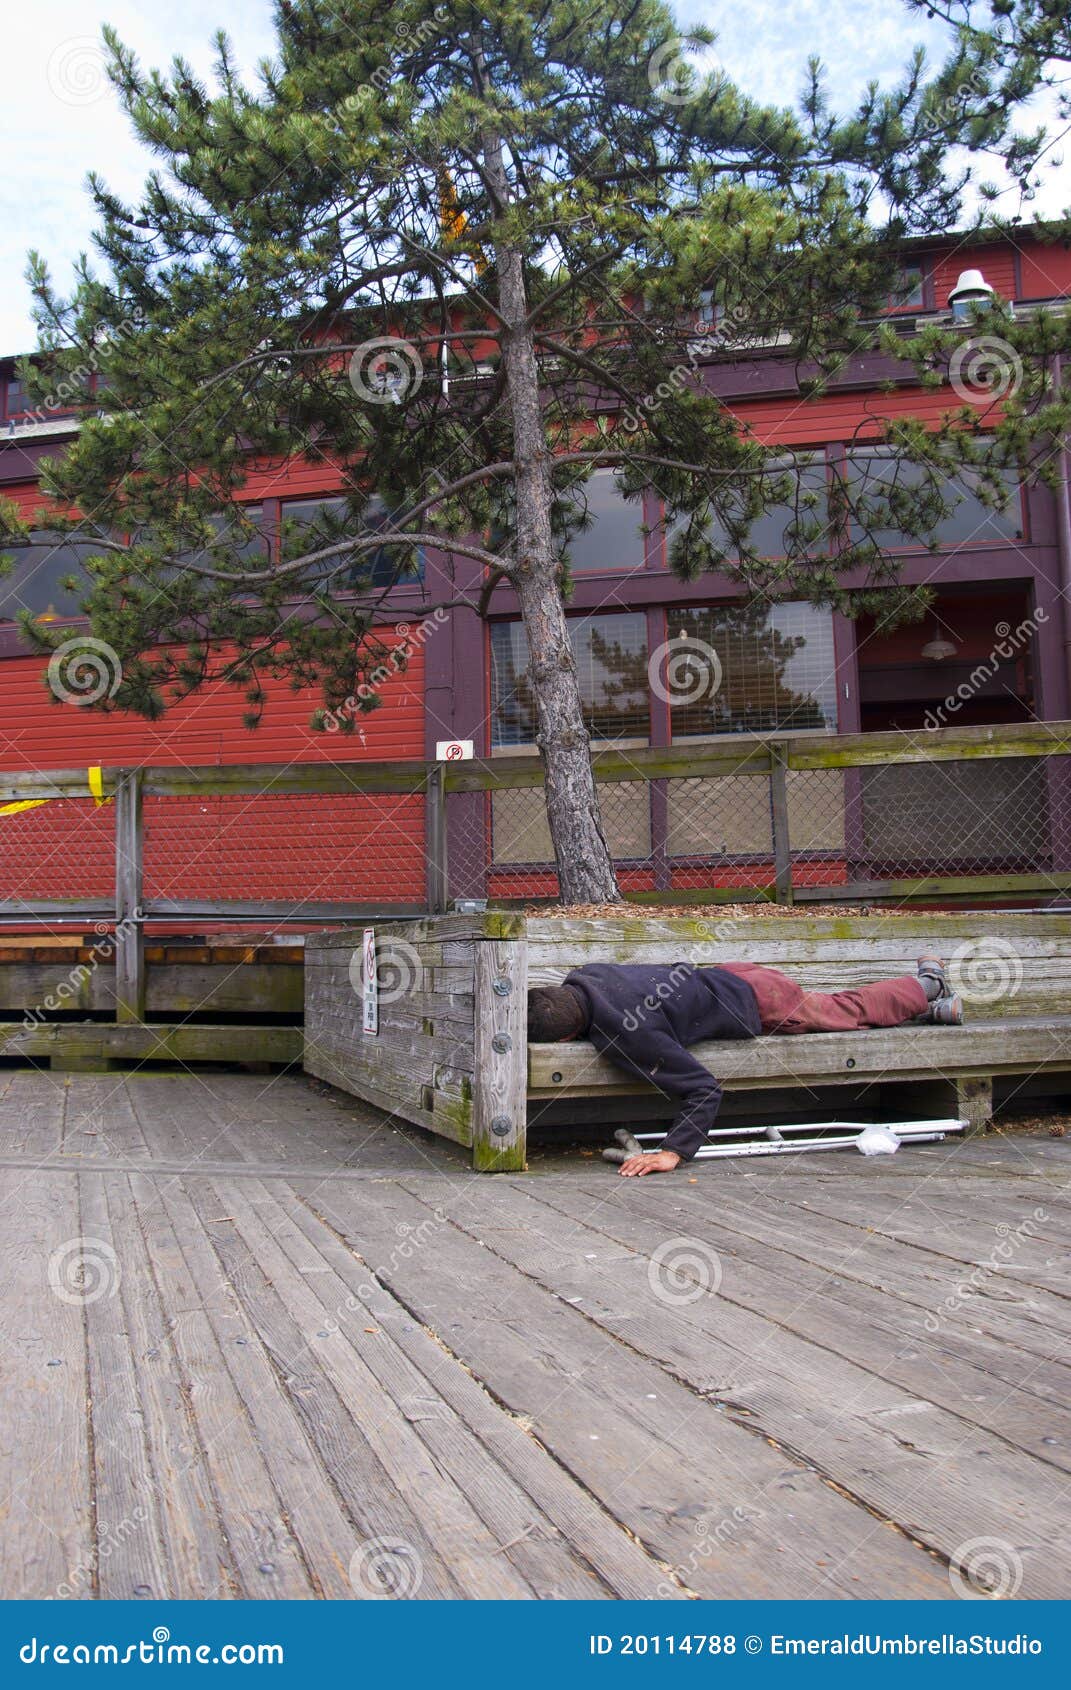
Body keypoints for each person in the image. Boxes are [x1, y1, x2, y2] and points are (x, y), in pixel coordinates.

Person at [526, 954, 962, 1176]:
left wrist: (673, 1153)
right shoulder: (585, 976)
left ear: (566, 1038)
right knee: (841, 1010)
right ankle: (934, 1010)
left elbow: (704, 1089)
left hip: (759, 1000)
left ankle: (928, 985)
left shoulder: (627, 1033)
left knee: (847, 1011)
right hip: (732, 975)